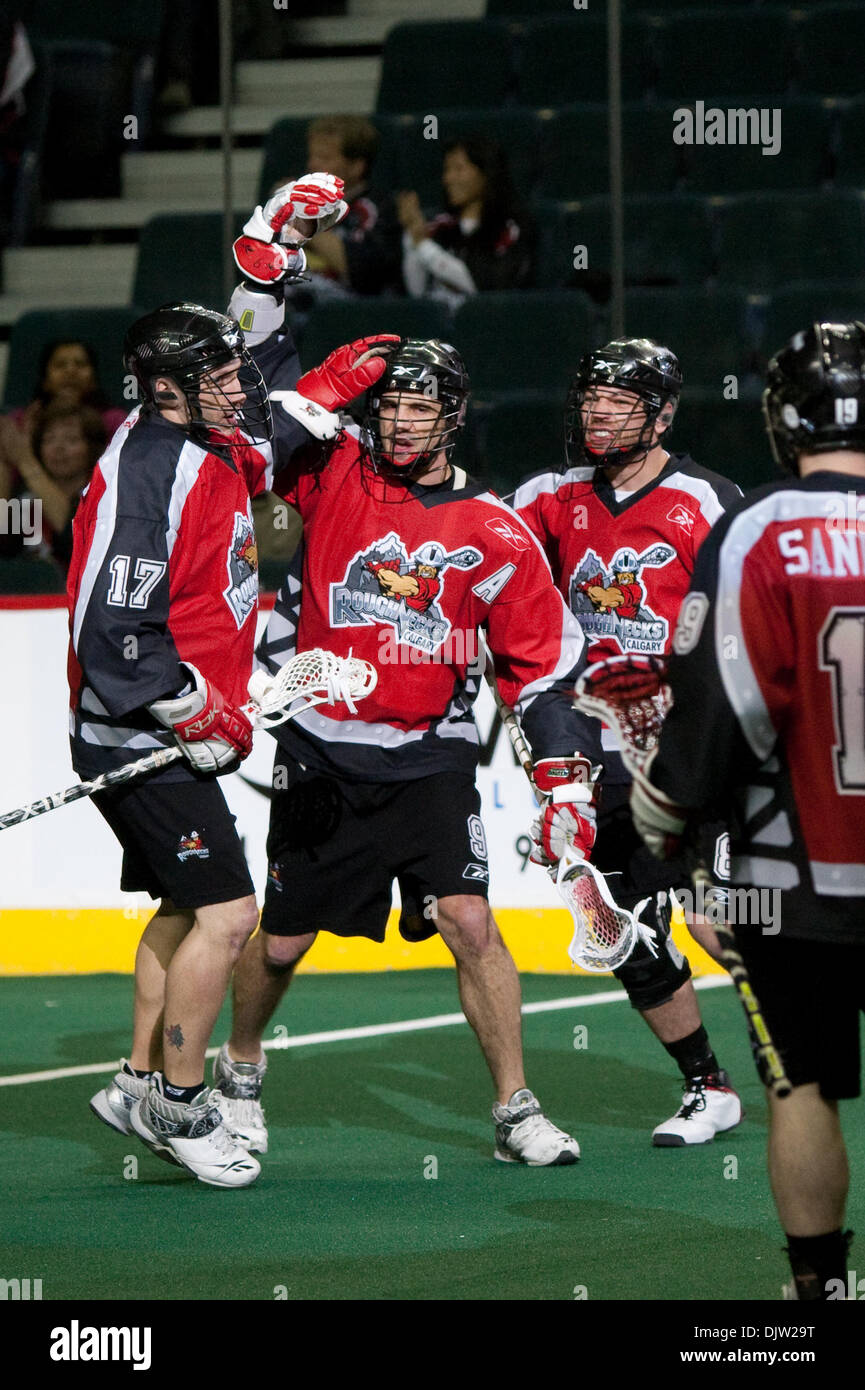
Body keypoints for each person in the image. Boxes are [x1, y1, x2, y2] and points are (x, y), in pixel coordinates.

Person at [212, 325, 604, 1166]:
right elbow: (243, 446)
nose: (397, 422)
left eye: (418, 406)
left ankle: (514, 1109)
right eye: (388, 404)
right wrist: (313, 391)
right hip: (321, 752)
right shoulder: (335, 468)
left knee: (469, 920)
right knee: (282, 940)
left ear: (453, 416)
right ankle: (237, 1071)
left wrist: (564, 784)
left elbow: (540, 667)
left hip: (431, 757)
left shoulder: (494, 530)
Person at [81, 170, 371, 1187]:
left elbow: (268, 426)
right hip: (142, 732)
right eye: (215, 372)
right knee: (228, 915)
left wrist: (269, 253)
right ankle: (177, 1100)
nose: (233, 381)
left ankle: (129, 1078)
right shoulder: (148, 470)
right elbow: (110, 628)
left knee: (180, 899)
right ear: (167, 387)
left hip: (157, 727)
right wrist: (188, 705)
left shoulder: (203, 441)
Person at [630, 321, 865, 1297]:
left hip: (789, 877)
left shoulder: (753, 528)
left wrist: (668, 813)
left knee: (798, 1085)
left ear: (783, 417)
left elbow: (722, 700)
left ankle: (817, 1293)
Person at [511, 339, 745, 1145]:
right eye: (591, 397)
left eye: (621, 399)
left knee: (719, 919)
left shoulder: (708, 500)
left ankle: (802, 1033)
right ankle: (707, 1087)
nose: (599, 411)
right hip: (591, 753)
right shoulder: (547, 496)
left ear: (664, 414)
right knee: (621, 928)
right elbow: (482, 574)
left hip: (687, 751)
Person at [397, 136, 535, 311]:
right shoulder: (441, 227)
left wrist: (423, 245)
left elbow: (481, 286)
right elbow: (417, 294)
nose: (448, 178)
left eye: (459, 169)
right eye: (447, 170)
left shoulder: (510, 228)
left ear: (486, 173)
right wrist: (411, 236)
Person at [296, 114, 402, 297]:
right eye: (312, 156)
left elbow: (361, 272)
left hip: (348, 314)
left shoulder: (373, 208)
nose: (312, 164)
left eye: (324, 157)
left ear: (356, 167)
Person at [0, 400, 106, 571]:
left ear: (92, 447)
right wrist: (4, 458)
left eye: (71, 440)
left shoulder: (105, 499)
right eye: (49, 439)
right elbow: (4, 544)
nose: (59, 448)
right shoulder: (28, 503)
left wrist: (26, 461)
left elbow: (73, 539)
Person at [4, 339, 127, 443]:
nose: (71, 371)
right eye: (60, 365)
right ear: (45, 381)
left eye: (80, 364)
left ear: (93, 381)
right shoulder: (18, 423)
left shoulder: (116, 423)